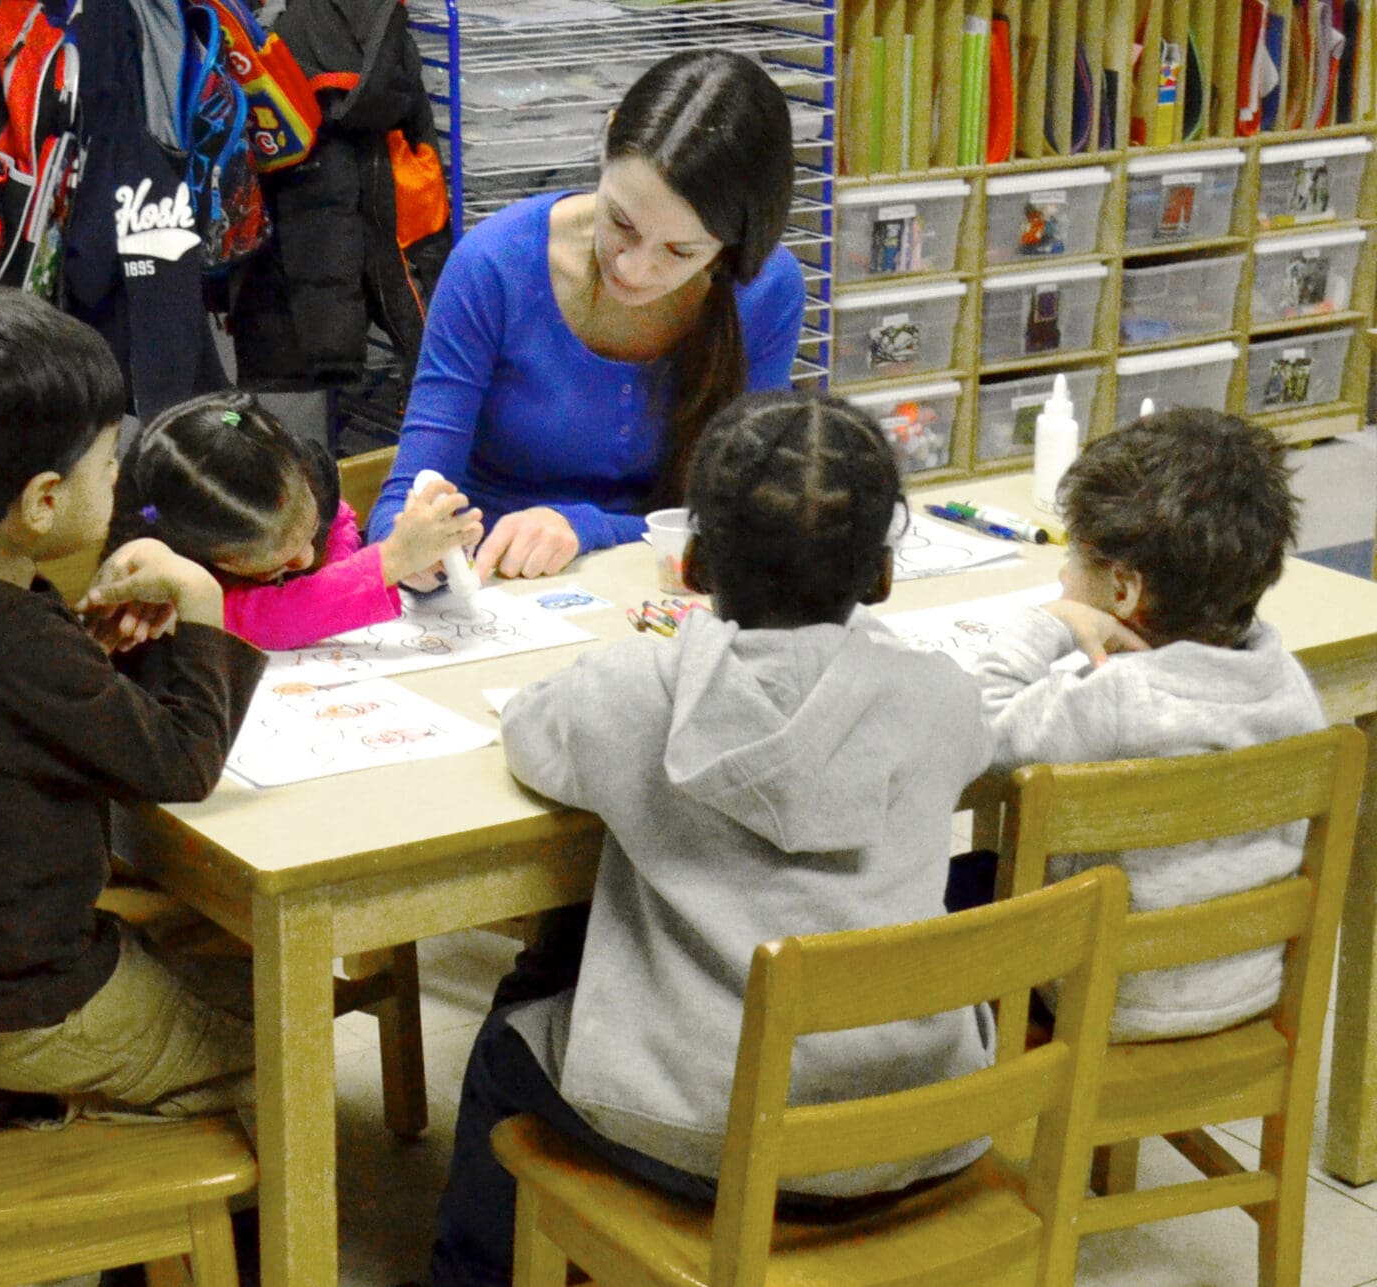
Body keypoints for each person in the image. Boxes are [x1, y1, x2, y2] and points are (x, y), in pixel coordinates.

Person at [422, 391, 995, 1287]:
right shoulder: (941, 698)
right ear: (882, 575)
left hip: (702, 1129)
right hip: (917, 1112)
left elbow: (534, 734)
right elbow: (975, 745)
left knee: (510, 1037)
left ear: (689, 564)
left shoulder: (639, 691)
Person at [0, 287, 267, 1130]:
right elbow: (184, 766)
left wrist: (86, 642)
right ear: (45, 500)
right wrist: (199, 596)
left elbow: (17, 690)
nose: (118, 472)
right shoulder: (17, 642)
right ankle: (37, 1100)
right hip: (15, 1002)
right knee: (279, 1041)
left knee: (227, 976)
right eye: (110, 455)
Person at [365, 47, 806, 586]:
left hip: (664, 581)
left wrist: (588, 527)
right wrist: (416, 552)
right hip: (496, 584)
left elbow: (748, 509)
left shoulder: (763, 288)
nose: (634, 268)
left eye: (681, 252)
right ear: (608, 136)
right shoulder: (494, 265)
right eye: (621, 221)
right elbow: (403, 502)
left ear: (732, 245)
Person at [961, 408, 1326, 1040]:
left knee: (936, 900)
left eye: (1076, 559)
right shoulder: (1285, 679)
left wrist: (1048, 622)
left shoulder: (1113, 701)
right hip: (1243, 985)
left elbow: (978, 732)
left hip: (1104, 998)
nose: (1062, 574)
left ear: (1125, 592)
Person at [103, 391, 482, 651]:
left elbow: (340, 526)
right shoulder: (171, 568)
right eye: (277, 563)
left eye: (308, 530)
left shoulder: (300, 476)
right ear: (201, 553)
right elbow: (264, 618)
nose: (303, 558)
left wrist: (413, 566)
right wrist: (390, 562)